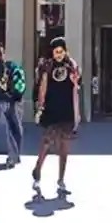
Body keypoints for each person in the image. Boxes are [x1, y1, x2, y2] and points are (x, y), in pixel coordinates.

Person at [32, 37, 80, 194]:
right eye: (56, 52)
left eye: (61, 51)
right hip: (51, 108)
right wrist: (40, 106)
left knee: (64, 146)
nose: (59, 55)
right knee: (47, 141)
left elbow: (76, 87)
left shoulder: (71, 65)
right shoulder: (47, 66)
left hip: (67, 110)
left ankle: (61, 179)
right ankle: (38, 167)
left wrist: (77, 113)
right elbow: (43, 88)